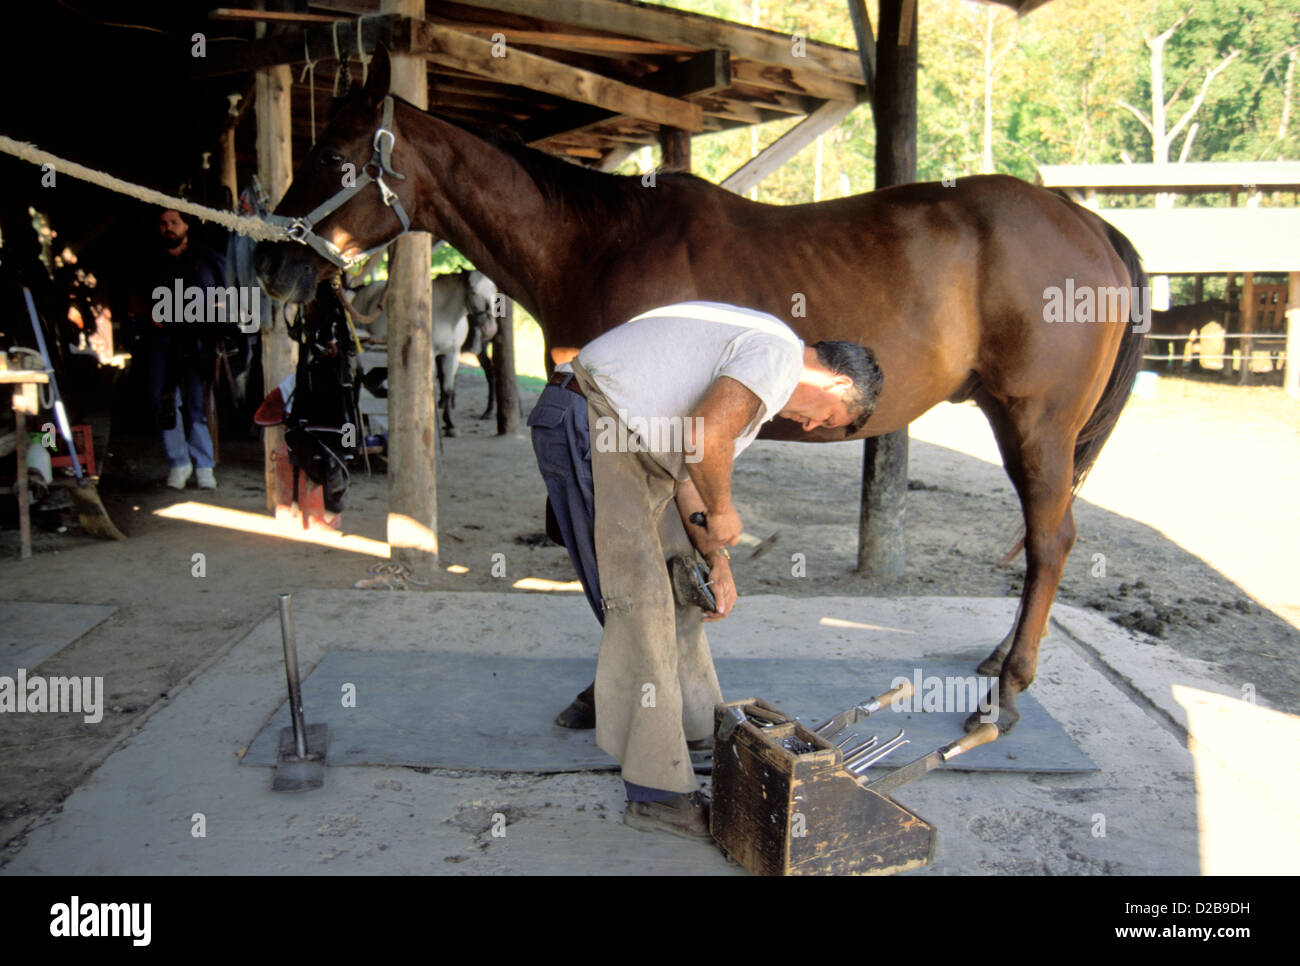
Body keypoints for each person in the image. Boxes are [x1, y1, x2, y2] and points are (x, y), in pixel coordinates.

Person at [528, 300, 881, 840]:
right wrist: (725, 511)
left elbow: (691, 471)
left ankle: (695, 732)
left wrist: (717, 561)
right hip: (592, 421)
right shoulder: (779, 354)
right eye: (824, 418)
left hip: (630, 442)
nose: (808, 424)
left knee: (682, 585)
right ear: (835, 383)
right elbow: (702, 437)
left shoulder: (763, 371)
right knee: (640, 607)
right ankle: (660, 793)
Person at [133, 209, 226, 489]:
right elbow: (134, 302)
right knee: (164, 402)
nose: (168, 228)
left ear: (187, 225)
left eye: (174, 222)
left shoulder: (209, 259)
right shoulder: (148, 261)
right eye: (163, 223)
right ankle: (179, 462)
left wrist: (209, 312)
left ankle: (204, 466)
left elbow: (228, 299)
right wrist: (148, 313)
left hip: (198, 341)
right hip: (161, 343)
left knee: (198, 405)